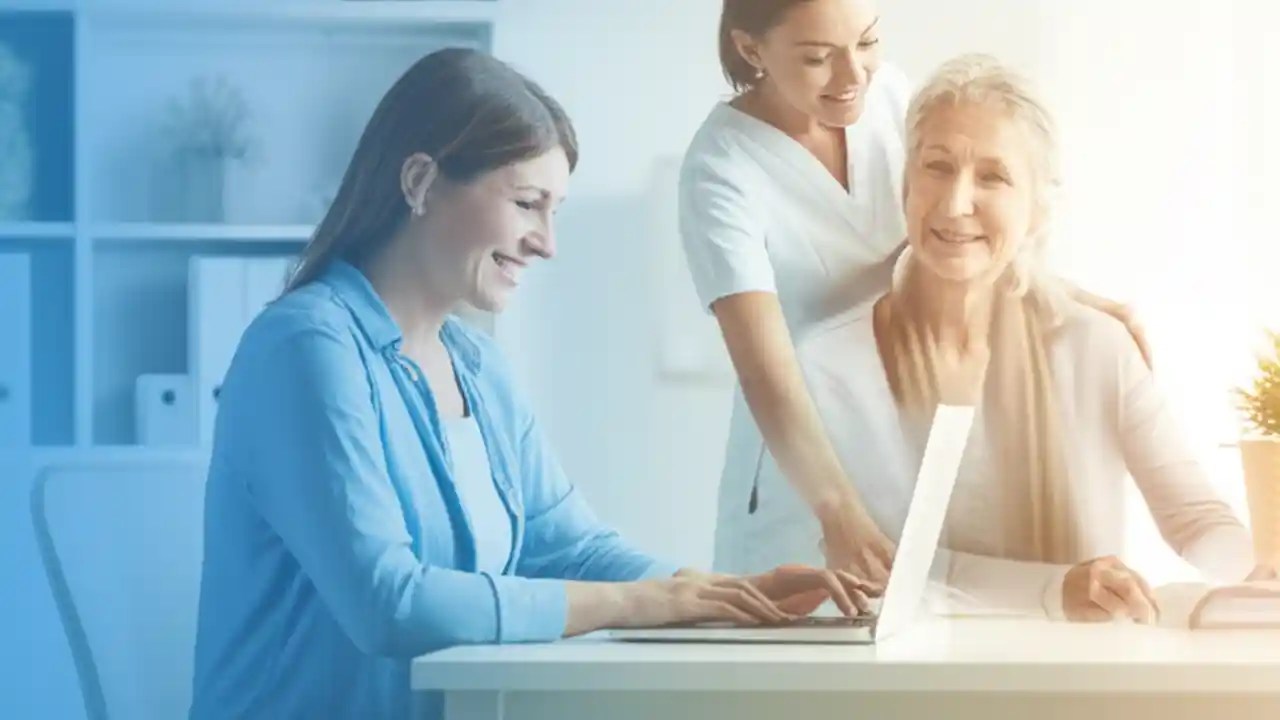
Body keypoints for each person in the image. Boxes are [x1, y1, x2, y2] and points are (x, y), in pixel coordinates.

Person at [189, 48, 872, 720]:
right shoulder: (307, 349)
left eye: (555, 211)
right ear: (422, 182)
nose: (546, 242)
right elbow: (389, 603)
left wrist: (719, 593)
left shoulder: (476, 366)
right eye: (526, 204)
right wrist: (640, 605)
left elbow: (565, 544)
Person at [789, 53, 1273, 622]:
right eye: (937, 167)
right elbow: (886, 565)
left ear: (1037, 208)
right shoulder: (833, 365)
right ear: (905, 184)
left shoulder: (1094, 347)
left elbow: (1196, 520)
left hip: (1075, 686)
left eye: (992, 176)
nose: (955, 202)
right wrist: (1052, 591)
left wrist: (1256, 576)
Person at [681, 0, 1150, 582]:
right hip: (804, 459)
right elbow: (764, 369)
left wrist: (1066, 299)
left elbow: (952, 230)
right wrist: (837, 510)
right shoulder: (722, 170)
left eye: (868, 42)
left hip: (899, 410)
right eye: (818, 58)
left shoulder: (885, 98)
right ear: (752, 50)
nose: (853, 77)